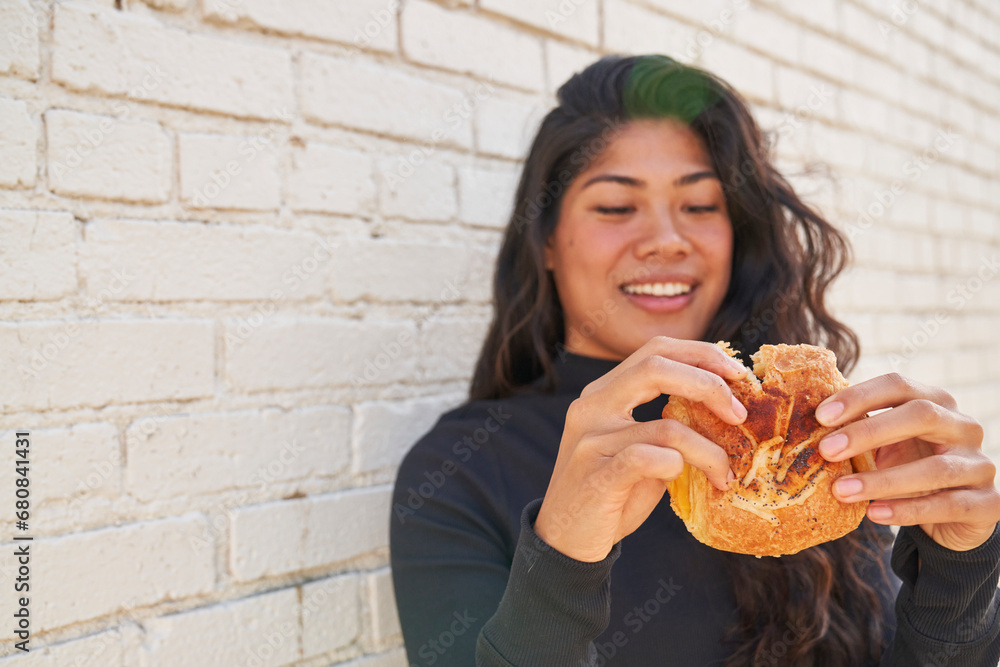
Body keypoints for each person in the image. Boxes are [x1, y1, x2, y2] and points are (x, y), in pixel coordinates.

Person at [389, 54, 1000, 666]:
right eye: (614, 207)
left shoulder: (805, 445)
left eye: (702, 206)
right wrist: (564, 558)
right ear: (545, 240)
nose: (666, 238)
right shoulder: (460, 472)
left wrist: (957, 571)